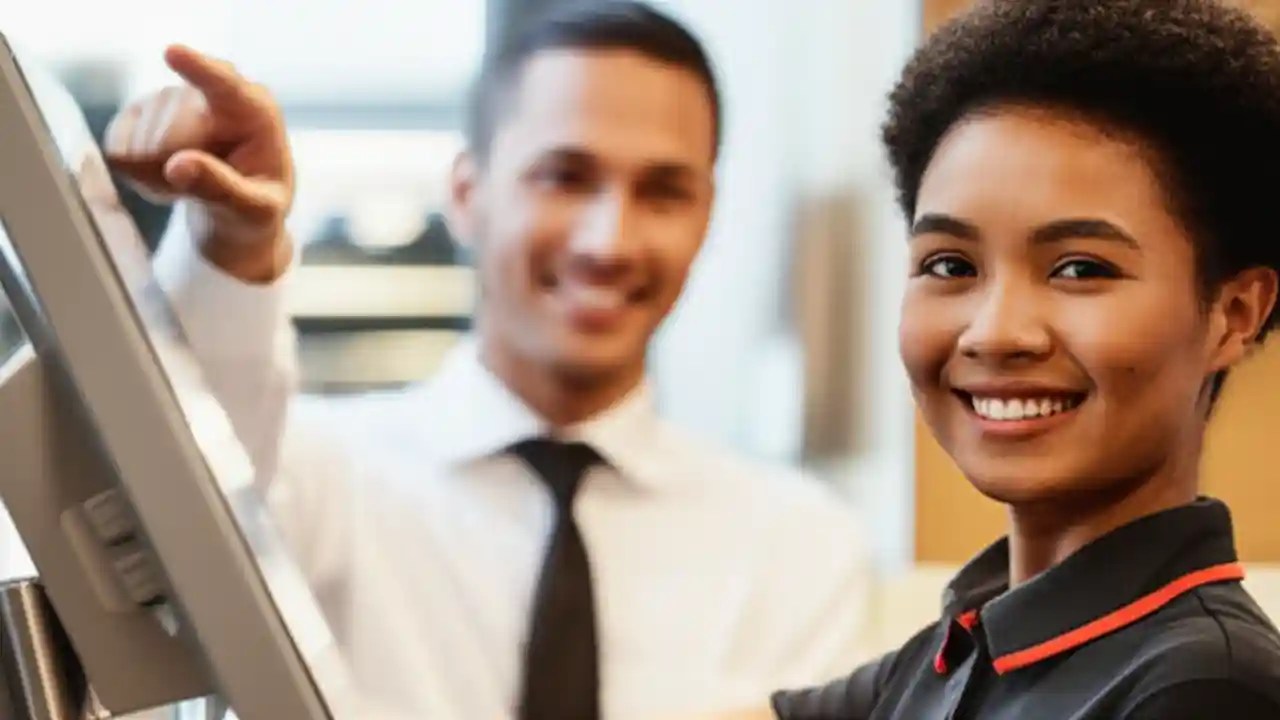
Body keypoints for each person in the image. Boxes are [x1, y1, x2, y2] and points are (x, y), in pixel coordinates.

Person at [103, 3, 869, 719]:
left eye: (663, 192)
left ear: (705, 217)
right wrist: (229, 246)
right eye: (565, 178)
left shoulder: (800, 548)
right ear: (468, 195)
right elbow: (169, 523)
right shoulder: (318, 477)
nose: (608, 242)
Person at [760, 1, 1280, 718]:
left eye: (1079, 269)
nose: (996, 333)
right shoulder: (955, 648)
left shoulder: (1203, 685)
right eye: (949, 265)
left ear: (1233, 315)